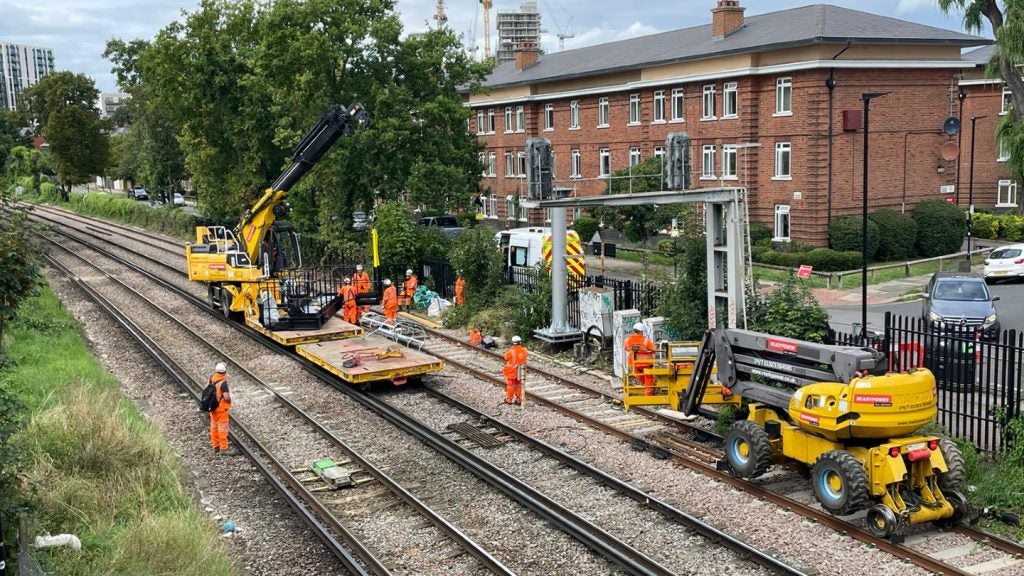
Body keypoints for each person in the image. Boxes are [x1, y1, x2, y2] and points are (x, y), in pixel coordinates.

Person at [209, 363, 237, 456]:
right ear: (224, 371)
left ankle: (216, 446)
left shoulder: (212, 378)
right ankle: (224, 449)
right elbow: (226, 397)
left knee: (214, 427)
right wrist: (229, 402)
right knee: (222, 429)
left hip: (212, 408)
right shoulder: (223, 382)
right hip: (221, 409)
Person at [623, 323, 657, 396]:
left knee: (639, 375)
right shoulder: (646, 341)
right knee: (648, 378)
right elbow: (654, 350)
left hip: (634, 364)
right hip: (647, 364)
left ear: (634, 330)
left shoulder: (627, 340)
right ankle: (649, 395)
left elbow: (626, 348)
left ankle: (649, 387)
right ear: (642, 331)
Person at [502, 336, 528, 405]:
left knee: (511, 386)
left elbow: (505, 357)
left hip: (512, 372)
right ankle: (519, 400)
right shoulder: (525, 350)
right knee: (519, 386)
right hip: (521, 371)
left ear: (513, 343)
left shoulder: (511, 352)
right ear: (520, 342)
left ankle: (509, 400)